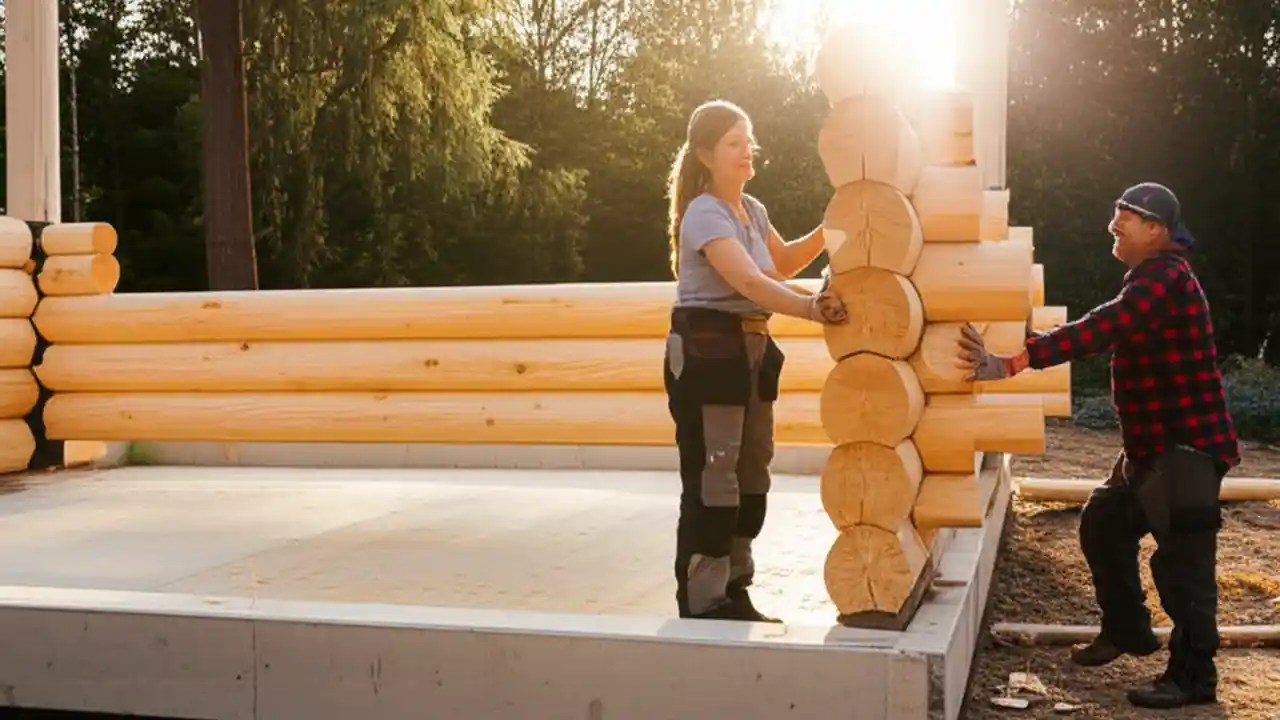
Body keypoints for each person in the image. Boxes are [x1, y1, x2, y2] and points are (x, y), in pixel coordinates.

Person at [957, 182, 1240, 709]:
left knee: (1183, 568)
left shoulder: (1165, 280)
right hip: (1151, 447)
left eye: (1126, 217)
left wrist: (1017, 360)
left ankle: (1194, 677)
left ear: (1156, 231)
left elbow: (1104, 326)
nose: (1114, 224)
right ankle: (1129, 630)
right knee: (1104, 522)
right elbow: (1105, 322)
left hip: (1185, 450)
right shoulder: (1151, 278)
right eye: (1116, 214)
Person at [663, 99, 848, 623]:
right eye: (733, 144)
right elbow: (748, 280)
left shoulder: (753, 208)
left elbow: (781, 262)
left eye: (748, 141)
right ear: (705, 154)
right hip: (708, 353)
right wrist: (812, 307)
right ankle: (703, 598)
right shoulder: (704, 212)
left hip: (750, 351)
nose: (747, 152)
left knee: (751, 474)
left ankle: (736, 589)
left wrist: (834, 228)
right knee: (714, 475)